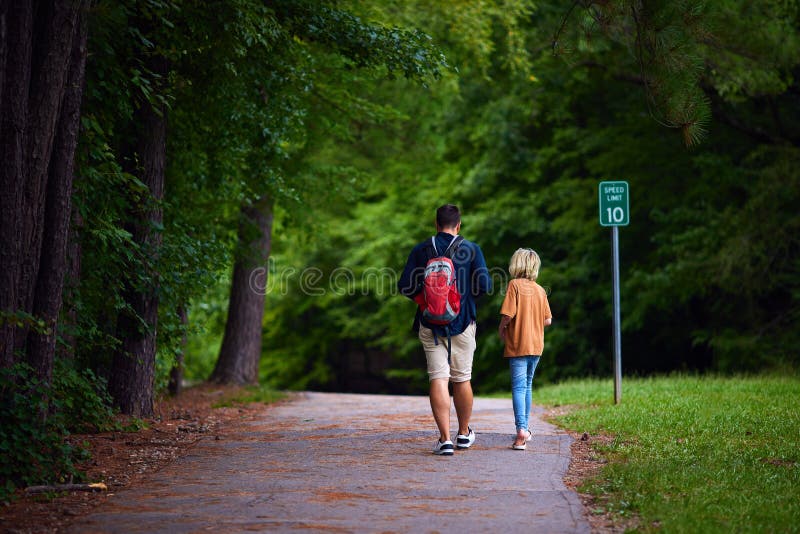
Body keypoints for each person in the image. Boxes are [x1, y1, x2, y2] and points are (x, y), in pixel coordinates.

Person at [398, 204, 492, 455]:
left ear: (436, 224)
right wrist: (463, 301)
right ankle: (463, 434)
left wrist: (427, 302)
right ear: (458, 225)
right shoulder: (471, 250)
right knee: (462, 378)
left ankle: (445, 439)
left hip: (429, 323)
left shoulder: (422, 250)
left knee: (438, 377)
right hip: (462, 324)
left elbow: (405, 286)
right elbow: (484, 286)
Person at [498, 248, 552, 450]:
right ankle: (526, 429)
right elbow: (548, 319)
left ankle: (521, 430)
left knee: (519, 387)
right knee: (528, 385)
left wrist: (502, 328)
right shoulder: (540, 290)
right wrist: (533, 318)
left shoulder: (514, 285)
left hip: (518, 344)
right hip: (536, 346)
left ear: (516, 265)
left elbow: (508, 315)